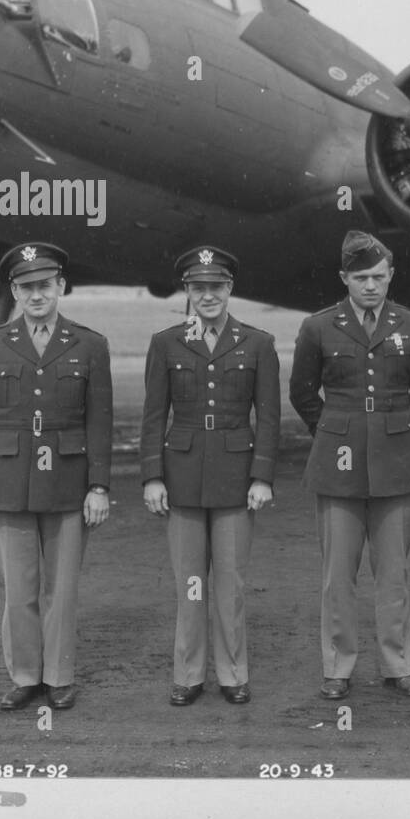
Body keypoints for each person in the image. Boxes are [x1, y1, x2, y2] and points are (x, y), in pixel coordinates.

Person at [289, 231, 410, 700]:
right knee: (338, 575)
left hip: (396, 463)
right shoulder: (319, 327)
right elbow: (301, 391)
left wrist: (394, 430)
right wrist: (335, 430)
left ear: (391, 275)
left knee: (393, 573)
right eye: (361, 278)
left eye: (378, 276)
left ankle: (399, 665)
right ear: (344, 279)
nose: (370, 286)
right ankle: (338, 666)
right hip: (339, 463)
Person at [0, 241, 112, 711]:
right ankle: (26, 675)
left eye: (44, 285)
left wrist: (99, 486)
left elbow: (99, 422)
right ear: (14, 290)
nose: (36, 295)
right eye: (26, 287)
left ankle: (59, 675)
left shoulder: (90, 345)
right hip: (7, 481)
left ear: (60, 287)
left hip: (68, 483)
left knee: (61, 590)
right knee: (19, 590)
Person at [140, 245, 281, 707]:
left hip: (237, 478)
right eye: (198, 288)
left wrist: (262, 477)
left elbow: (271, 418)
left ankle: (233, 672)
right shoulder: (166, 342)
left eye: (216, 287)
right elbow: (153, 415)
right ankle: (189, 673)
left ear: (230, 289)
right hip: (180, 476)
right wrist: (151, 478)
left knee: (231, 583)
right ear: (187, 291)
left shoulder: (258, 343)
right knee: (190, 584)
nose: (208, 296)